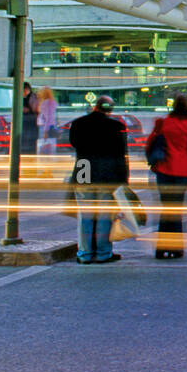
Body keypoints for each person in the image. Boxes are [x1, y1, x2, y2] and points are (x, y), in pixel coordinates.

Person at [68, 95, 130, 264]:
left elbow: (74, 144)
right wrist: (124, 180)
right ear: (110, 109)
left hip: (84, 170)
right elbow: (121, 155)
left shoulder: (78, 124)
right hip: (107, 174)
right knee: (104, 215)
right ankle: (103, 253)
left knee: (85, 215)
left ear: (95, 106)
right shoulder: (116, 127)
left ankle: (85, 253)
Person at [147, 94, 187, 259]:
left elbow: (151, 142)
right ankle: (176, 247)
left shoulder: (164, 123)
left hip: (163, 171)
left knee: (166, 209)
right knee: (177, 210)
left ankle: (161, 248)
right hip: (182, 172)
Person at [36, 86, 58, 155]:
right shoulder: (52, 102)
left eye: (40, 92)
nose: (39, 93)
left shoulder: (45, 103)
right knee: (50, 146)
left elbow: (48, 117)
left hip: (44, 126)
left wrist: (45, 130)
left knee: (43, 145)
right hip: (50, 126)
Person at [21, 82, 40, 155]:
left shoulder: (33, 97)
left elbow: (36, 109)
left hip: (31, 121)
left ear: (26, 89)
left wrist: (27, 110)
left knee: (30, 139)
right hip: (28, 122)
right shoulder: (26, 97)